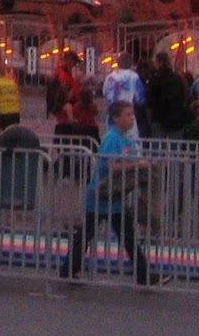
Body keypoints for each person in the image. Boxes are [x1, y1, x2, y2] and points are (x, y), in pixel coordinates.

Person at [59, 101, 168, 286]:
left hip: (115, 197)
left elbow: (129, 161)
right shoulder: (112, 138)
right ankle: (68, 270)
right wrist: (136, 165)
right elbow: (111, 165)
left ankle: (144, 275)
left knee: (127, 237)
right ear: (116, 118)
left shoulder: (127, 139)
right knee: (86, 235)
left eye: (132, 114)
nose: (132, 118)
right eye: (127, 115)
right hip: (101, 194)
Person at [102, 55, 145, 131]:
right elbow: (140, 99)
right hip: (127, 114)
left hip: (112, 116)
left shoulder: (110, 77)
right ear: (131, 64)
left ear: (118, 63)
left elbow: (105, 93)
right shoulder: (134, 77)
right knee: (129, 136)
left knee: (113, 136)